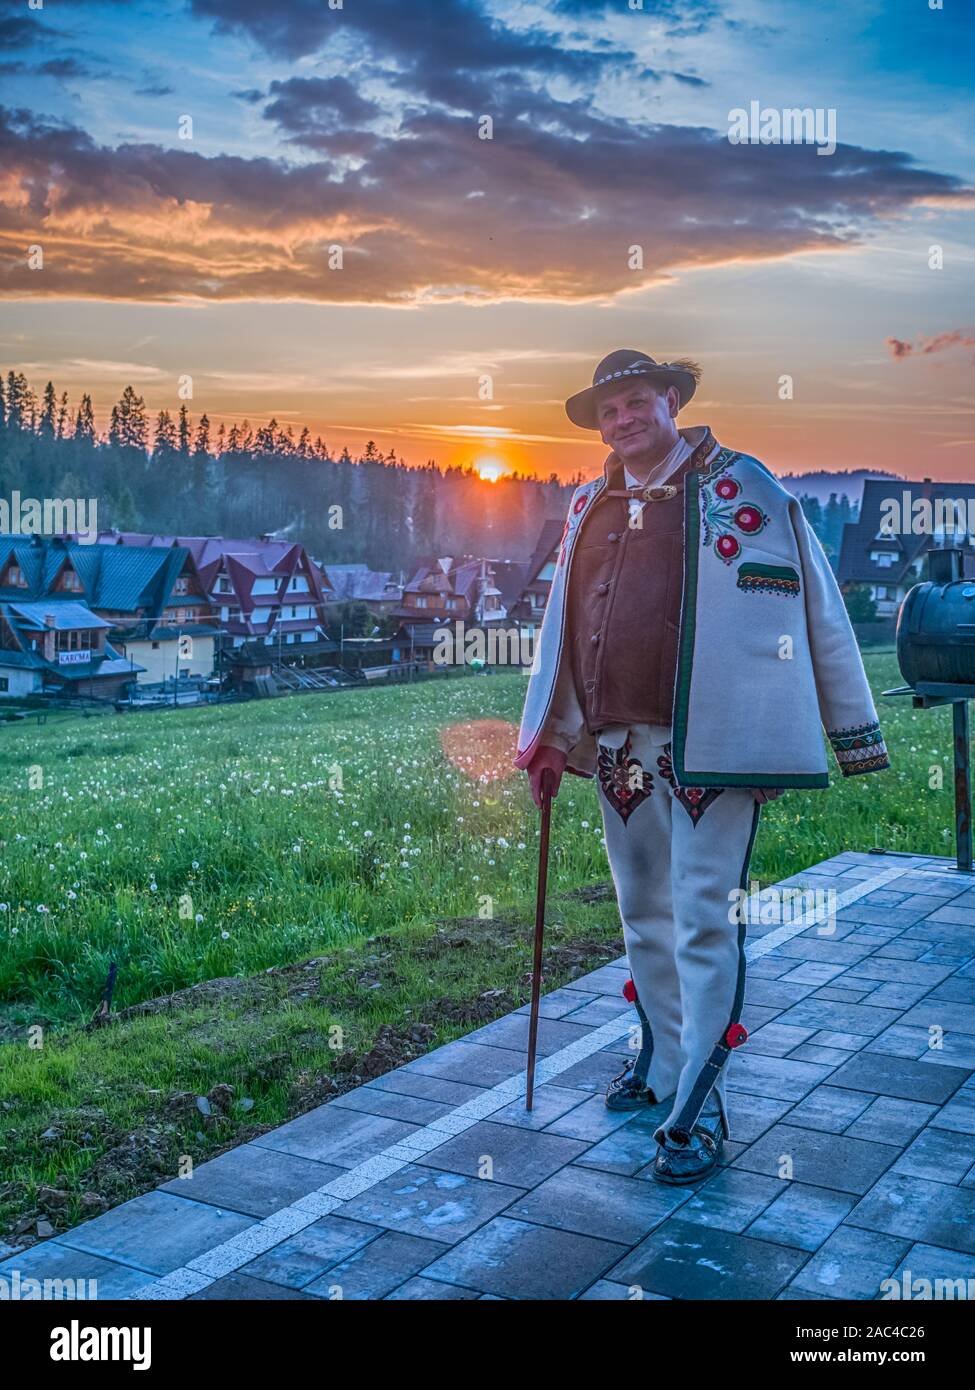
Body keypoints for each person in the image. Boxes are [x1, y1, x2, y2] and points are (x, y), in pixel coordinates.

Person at [514, 350, 890, 1183]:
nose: (622, 419)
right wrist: (547, 733)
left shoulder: (743, 489)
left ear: (672, 401)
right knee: (641, 913)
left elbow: (814, 602)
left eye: (636, 402)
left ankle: (699, 1104)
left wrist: (851, 728)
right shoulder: (588, 504)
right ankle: (658, 1067)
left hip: (713, 749)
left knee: (702, 918)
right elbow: (559, 631)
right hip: (616, 748)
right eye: (608, 410)